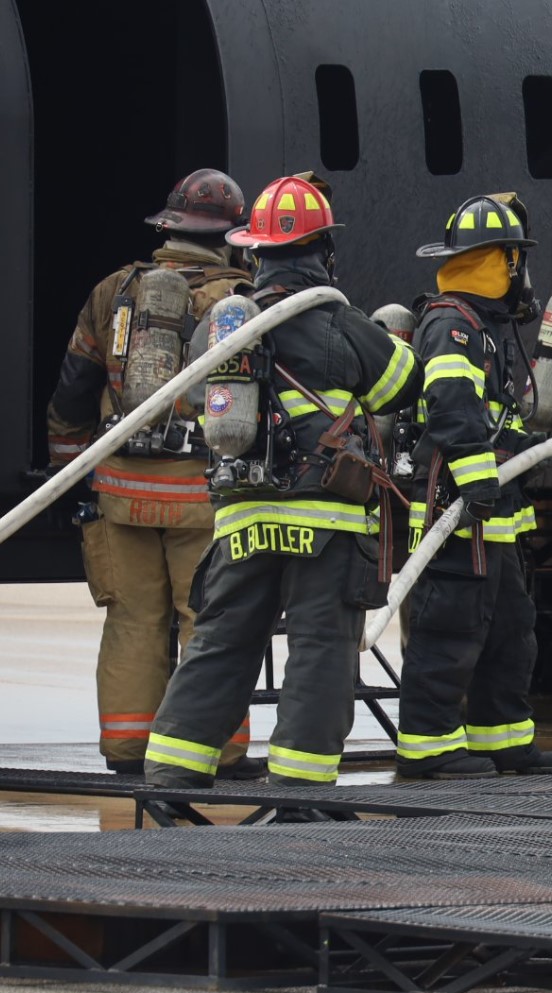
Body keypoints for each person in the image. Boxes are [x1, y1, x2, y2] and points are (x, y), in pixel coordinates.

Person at [143, 172, 421, 789]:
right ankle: (301, 786)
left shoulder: (224, 327)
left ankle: (171, 771)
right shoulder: (336, 324)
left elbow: (191, 397)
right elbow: (403, 384)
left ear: (255, 252)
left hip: (241, 515)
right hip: (325, 522)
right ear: (324, 252)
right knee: (321, 649)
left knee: (222, 642)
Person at [45, 169, 261, 777]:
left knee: (133, 619)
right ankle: (215, 748)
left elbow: (74, 388)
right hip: (204, 496)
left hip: (118, 490)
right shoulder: (242, 301)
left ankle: (128, 746)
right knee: (208, 621)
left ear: (166, 229)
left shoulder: (113, 291)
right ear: (229, 237)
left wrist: (71, 472)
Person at [395, 193, 552, 779]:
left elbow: (494, 418)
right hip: (459, 509)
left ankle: (504, 739)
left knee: (510, 632)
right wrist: (476, 479)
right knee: (450, 630)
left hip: (492, 514)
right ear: (505, 263)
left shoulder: (485, 327)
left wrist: (531, 451)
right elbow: (448, 408)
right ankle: (428, 748)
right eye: (517, 261)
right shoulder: (453, 324)